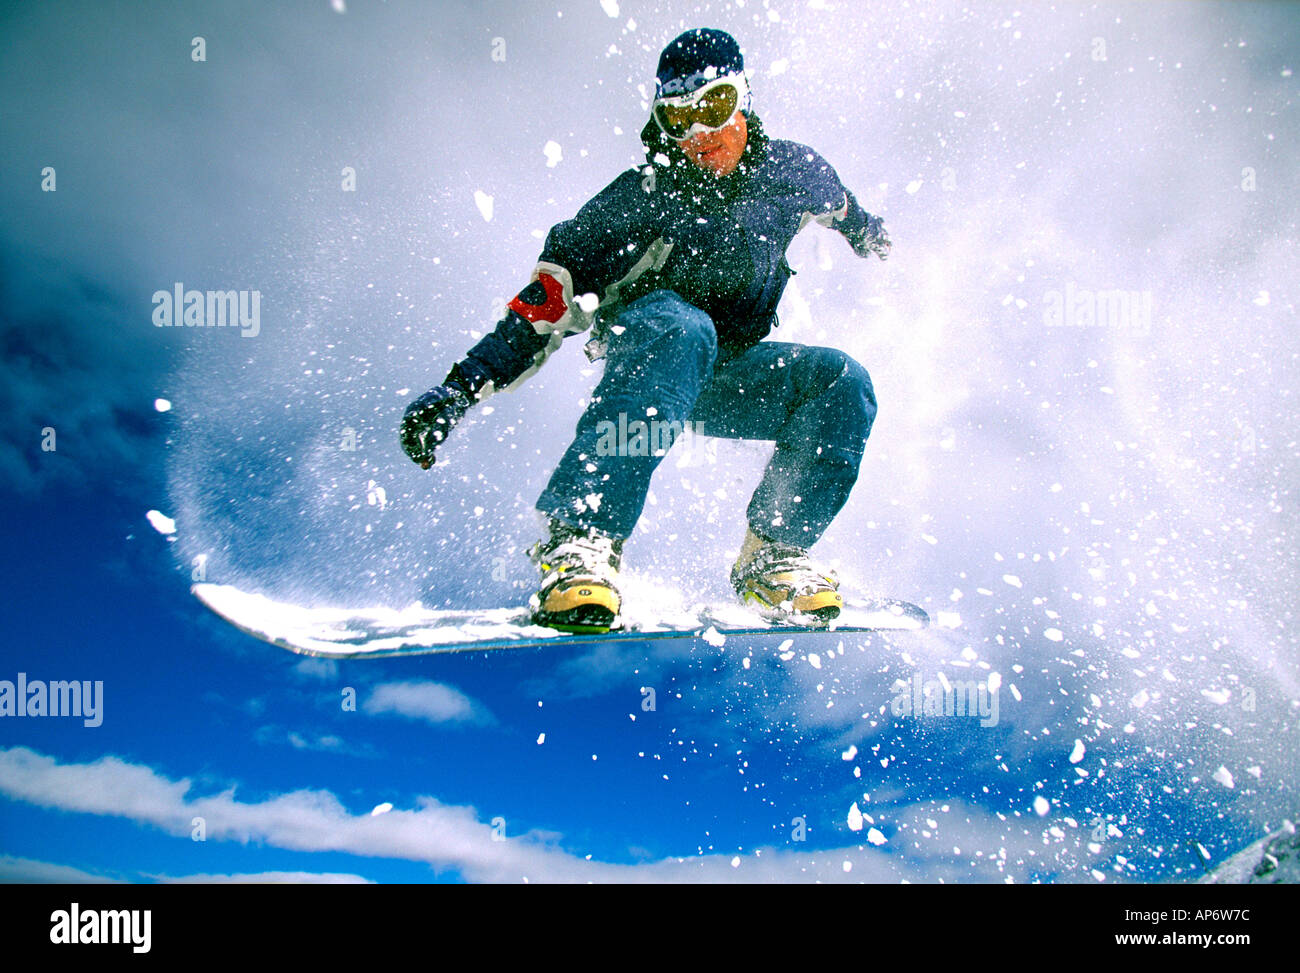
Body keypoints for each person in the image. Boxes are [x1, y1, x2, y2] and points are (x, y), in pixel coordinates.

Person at [401, 28, 890, 633]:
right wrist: (460, 388)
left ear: (744, 98)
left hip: (723, 376)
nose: (700, 136)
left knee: (842, 382)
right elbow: (542, 309)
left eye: (713, 108)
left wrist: (868, 232)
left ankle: (772, 555)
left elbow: (841, 205)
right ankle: (582, 539)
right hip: (651, 366)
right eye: (679, 119)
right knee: (683, 328)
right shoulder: (637, 204)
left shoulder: (792, 172)